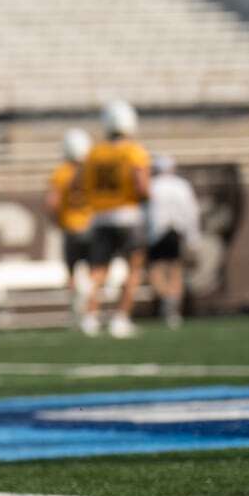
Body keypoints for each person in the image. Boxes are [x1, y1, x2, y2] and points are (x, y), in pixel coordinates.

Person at [79, 100, 151, 339]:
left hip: (100, 217)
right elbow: (142, 186)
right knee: (133, 269)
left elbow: (84, 186)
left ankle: (90, 317)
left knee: (98, 271)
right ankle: (120, 319)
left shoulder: (94, 153)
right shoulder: (133, 151)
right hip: (128, 215)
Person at [142, 155, 199, 329]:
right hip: (177, 231)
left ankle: (167, 299)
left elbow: (145, 211)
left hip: (156, 231)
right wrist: (193, 236)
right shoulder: (182, 185)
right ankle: (173, 306)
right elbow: (191, 211)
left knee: (155, 269)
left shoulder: (152, 185)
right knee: (175, 268)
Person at [46, 129, 94, 325]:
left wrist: (57, 221)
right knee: (94, 274)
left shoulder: (61, 172)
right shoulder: (91, 171)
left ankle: (76, 312)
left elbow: (52, 202)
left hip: (70, 228)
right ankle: (90, 314)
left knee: (72, 273)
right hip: (90, 227)